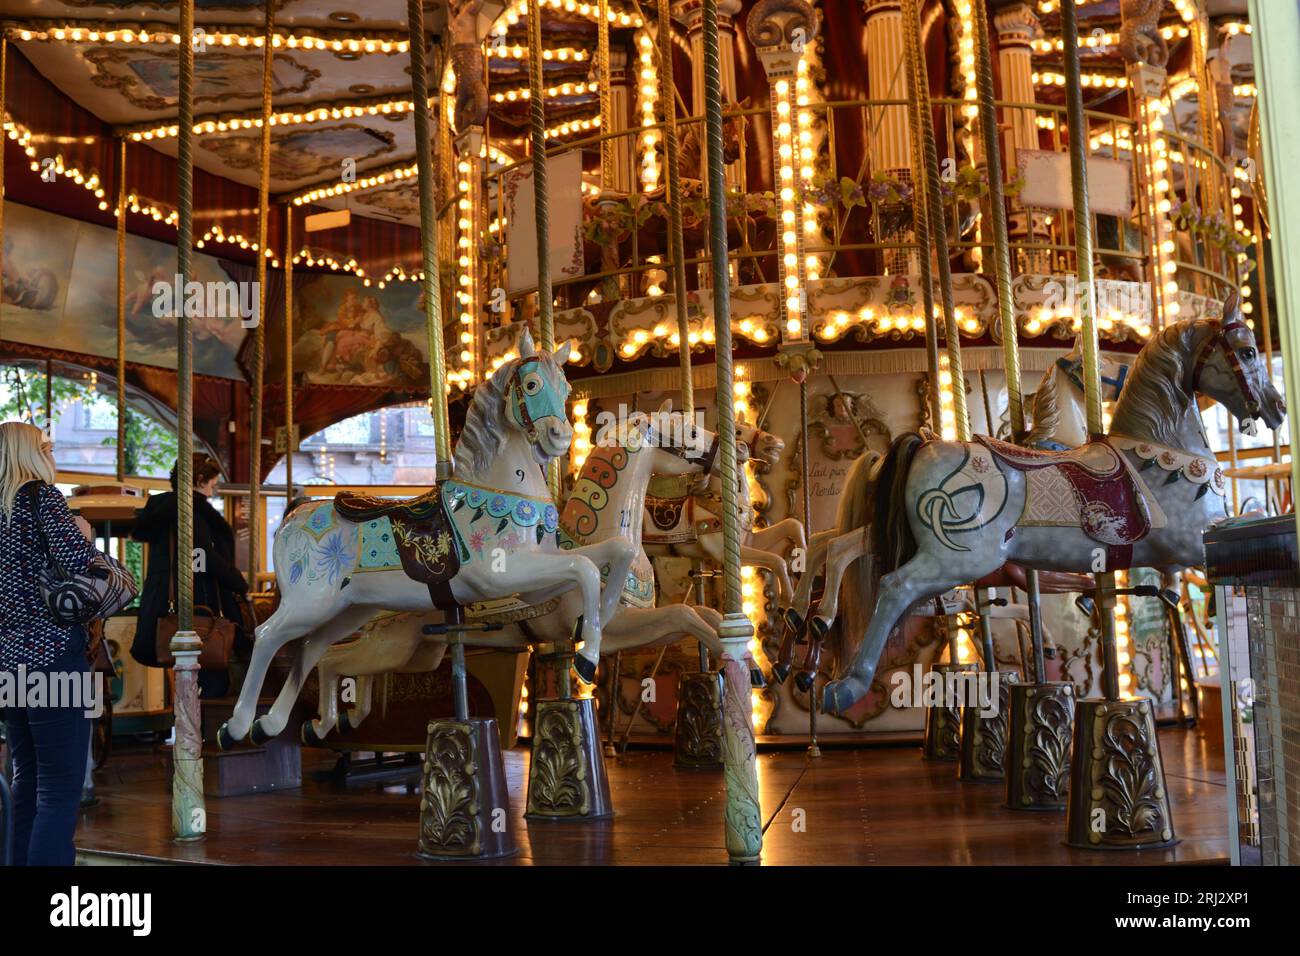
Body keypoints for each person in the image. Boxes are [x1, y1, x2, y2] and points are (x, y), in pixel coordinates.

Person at [0, 420, 99, 866]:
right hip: (54, 657)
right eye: (46, 445)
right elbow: (81, 564)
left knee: (25, 781)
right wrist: (83, 531)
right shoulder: (41, 497)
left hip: (8, 664)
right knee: (59, 790)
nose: (51, 452)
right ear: (30, 453)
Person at [130, 453, 250, 699]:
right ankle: (202, 731)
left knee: (191, 676)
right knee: (212, 676)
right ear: (199, 479)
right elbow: (200, 556)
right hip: (196, 601)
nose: (213, 490)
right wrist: (234, 579)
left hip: (164, 601)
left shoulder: (162, 511)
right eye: (212, 484)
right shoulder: (191, 511)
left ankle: (192, 726)